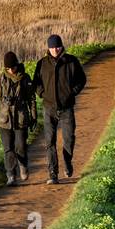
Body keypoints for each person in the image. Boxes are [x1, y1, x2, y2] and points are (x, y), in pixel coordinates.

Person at [31, 34, 86, 184]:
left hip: (67, 108)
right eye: (52, 47)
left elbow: (82, 79)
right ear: (48, 48)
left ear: (61, 46)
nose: (55, 49)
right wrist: (42, 93)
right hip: (49, 108)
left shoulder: (72, 61)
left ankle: (67, 162)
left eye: (57, 46)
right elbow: (36, 82)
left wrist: (72, 92)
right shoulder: (42, 63)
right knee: (50, 142)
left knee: (69, 139)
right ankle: (53, 174)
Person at [0, 51, 36, 184]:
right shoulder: (1, 79)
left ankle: (23, 165)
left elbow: (31, 99)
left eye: (13, 67)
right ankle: (10, 174)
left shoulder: (25, 78)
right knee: (8, 148)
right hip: (4, 120)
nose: (11, 70)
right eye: (8, 68)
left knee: (20, 146)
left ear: (17, 65)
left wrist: (33, 117)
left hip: (21, 119)